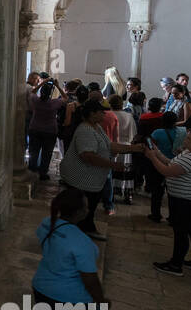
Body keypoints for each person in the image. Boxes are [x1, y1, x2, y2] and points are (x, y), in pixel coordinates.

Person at [58, 100, 142, 239]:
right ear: (92, 114)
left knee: (89, 208)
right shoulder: (85, 130)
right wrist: (113, 165)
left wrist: (133, 148)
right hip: (81, 178)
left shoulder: (96, 127)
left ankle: (85, 229)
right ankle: (73, 234)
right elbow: (88, 156)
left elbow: (110, 146)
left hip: (90, 179)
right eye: (100, 111)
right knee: (81, 209)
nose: (104, 113)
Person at [146, 127, 191, 276]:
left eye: (188, 139)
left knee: (182, 232)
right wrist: (157, 153)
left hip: (187, 201)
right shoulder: (190, 152)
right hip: (186, 199)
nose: (185, 140)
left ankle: (176, 265)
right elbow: (171, 163)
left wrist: (152, 158)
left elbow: (167, 171)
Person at [145, 112, 185, 223]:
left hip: (159, 164)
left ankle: (156, 214)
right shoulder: (182, 132)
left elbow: (151, 146)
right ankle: (173, 217)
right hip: (175, 164)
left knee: (157, 191)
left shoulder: (157, 132)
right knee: (173, 193)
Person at [27, 79, 65, 180]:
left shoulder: (36, 101)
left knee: (33, 151)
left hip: (35, 128)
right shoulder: (54, 103)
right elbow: (66, 98)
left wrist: (42, 83)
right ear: (50, 93)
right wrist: (57, 86)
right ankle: (43, 173)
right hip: (50, 131)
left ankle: (31, 169)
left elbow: (32, 92)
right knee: (47, 153)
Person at [110, 94, 137, 204]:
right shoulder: (128, 116)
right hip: (126, 146)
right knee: (125, 173)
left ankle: (110, 192)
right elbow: (134, 133)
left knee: (112, 171)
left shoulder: (109, 115)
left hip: (112, 145)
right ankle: (127, 194)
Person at [24, 72, 42, 156]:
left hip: (23, 113)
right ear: (32, 79)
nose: (38, 82)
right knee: (30, 138)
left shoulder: (24, 86)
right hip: (28, 115)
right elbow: (32, 105)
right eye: (37, 79)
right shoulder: (30, 88)